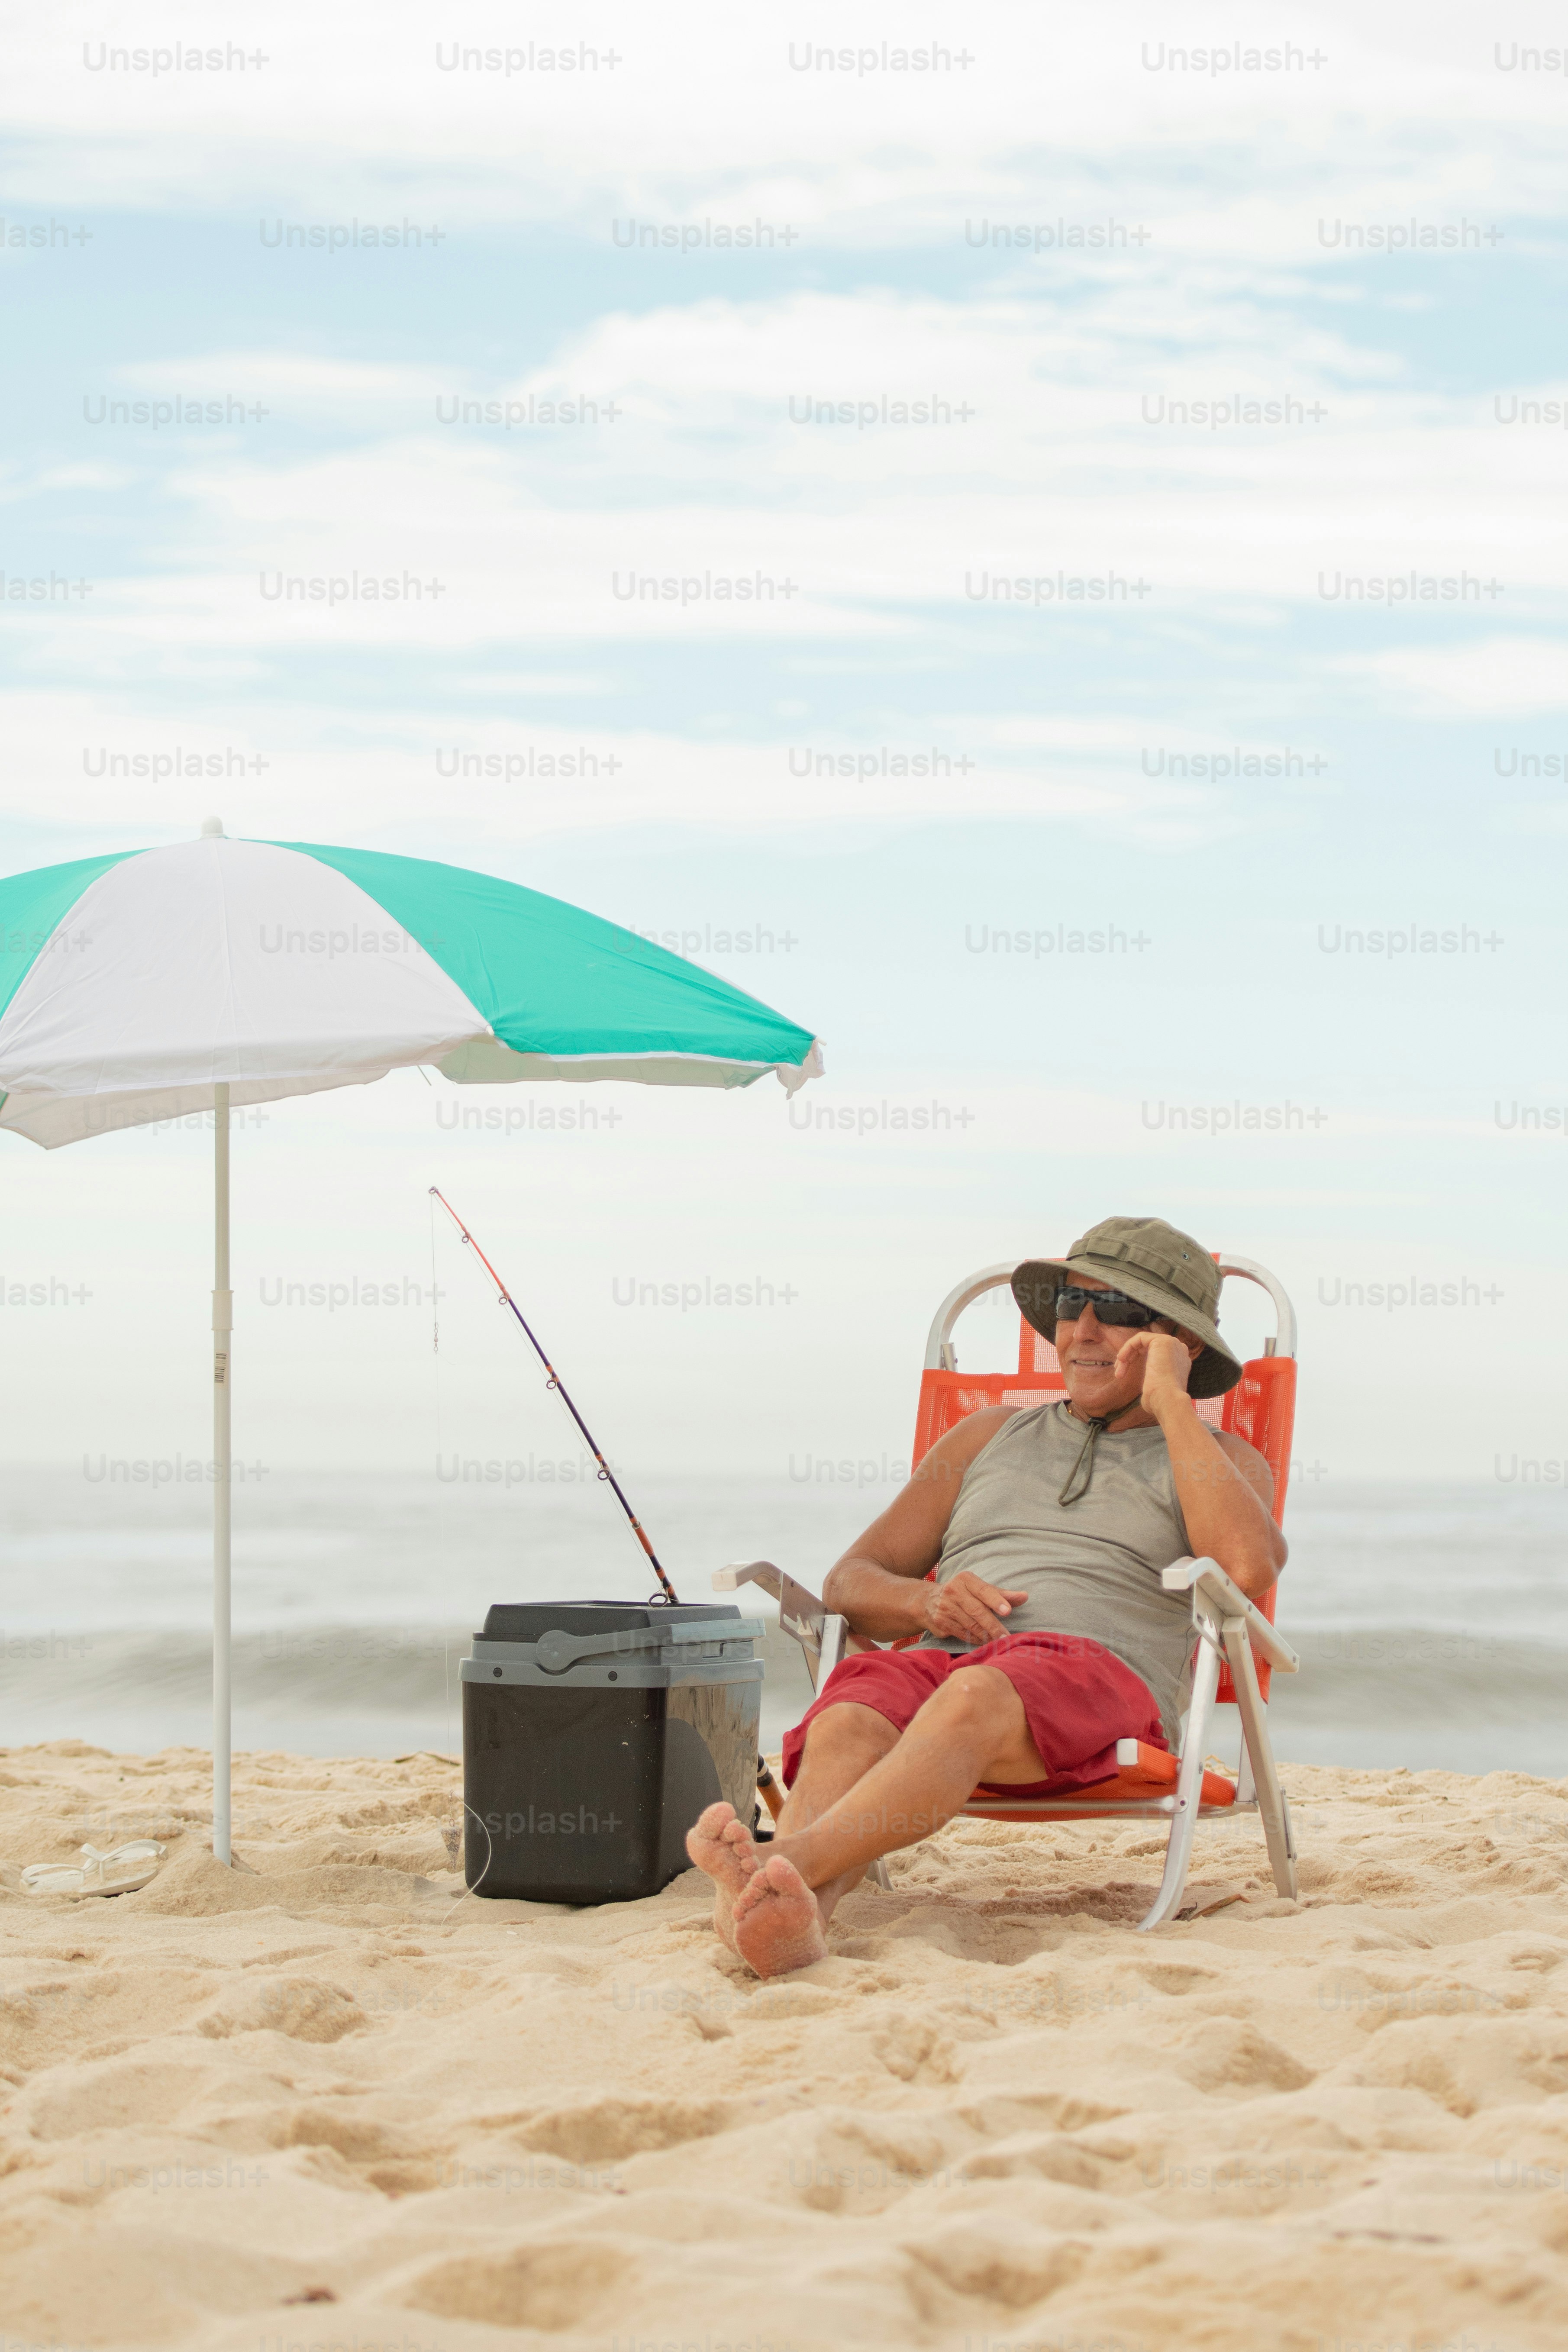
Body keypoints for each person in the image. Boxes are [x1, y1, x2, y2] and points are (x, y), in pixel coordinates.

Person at [688, 1214, 1286, 1977]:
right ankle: (792, 1919)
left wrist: (1172, 1403)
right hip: (944, 1658)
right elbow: (850, 1581)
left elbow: (1244, 1566)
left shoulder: (1220, 1458)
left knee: (976, 1690)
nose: (1086, 1329)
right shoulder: (986, 1436)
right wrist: (922, 1606)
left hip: (1091, 1679)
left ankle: (785, 1861)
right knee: (847, 1713)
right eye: (1073, 1306)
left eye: (1124, 1312)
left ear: (1183, 1342)